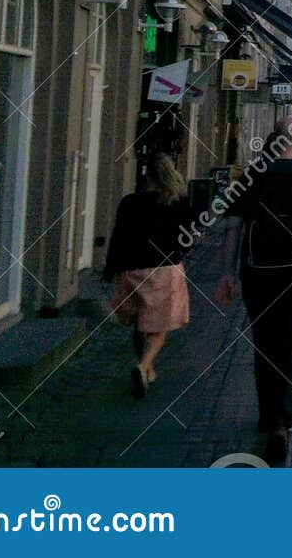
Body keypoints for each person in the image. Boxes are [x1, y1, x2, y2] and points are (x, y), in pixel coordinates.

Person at [216, 115, 292, 466]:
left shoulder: (253, 175)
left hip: (257, 273)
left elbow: (232, 226)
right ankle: (281, 423)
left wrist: (227, 273)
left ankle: (266, 414)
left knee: (265, 343)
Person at [104, 154, 195, 399]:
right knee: (159, 324)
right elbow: (187, 237)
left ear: (146, 176)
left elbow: (118, 237)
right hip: (164, 269)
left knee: (139, 321)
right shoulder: (177, 202)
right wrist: (179, 251)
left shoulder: (129, 202)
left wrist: (111, 269)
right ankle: (144, 365)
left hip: (132, 270)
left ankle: (148, 368)